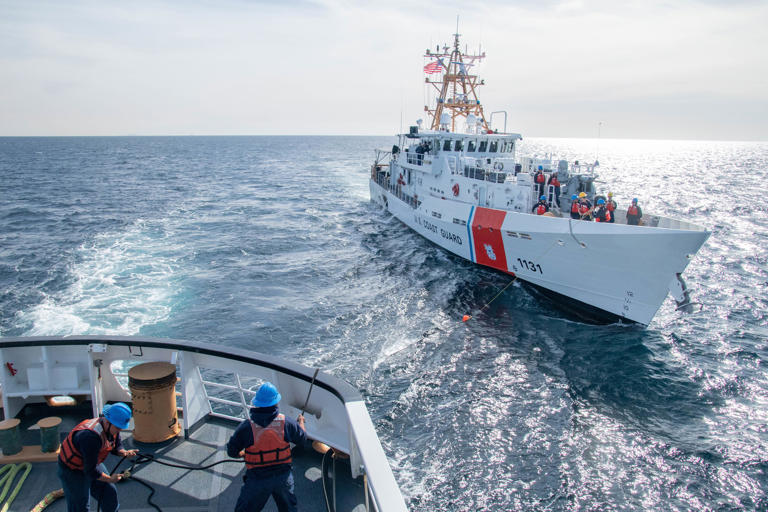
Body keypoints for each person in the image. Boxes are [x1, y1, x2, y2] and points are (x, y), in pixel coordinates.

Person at [227, 382, 307, 512]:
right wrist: (301, 422)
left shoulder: (246, 427)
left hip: (257, 479)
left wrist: (242, 454)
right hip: (283, 477)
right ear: (275, 403)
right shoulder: (286, 423)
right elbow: (302, 439)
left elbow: (231, 451)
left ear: (257, 404)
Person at [58, 402, 137, 512]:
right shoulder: (90, 437)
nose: (120, 431)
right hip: (73, 470)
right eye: (118, 428)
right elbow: (91, 471)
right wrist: (110, 479)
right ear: (108, 422)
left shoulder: (111, 427)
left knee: (109, 495)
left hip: (91, 463)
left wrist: (123, 452)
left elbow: (116, 444)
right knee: (80, 506)